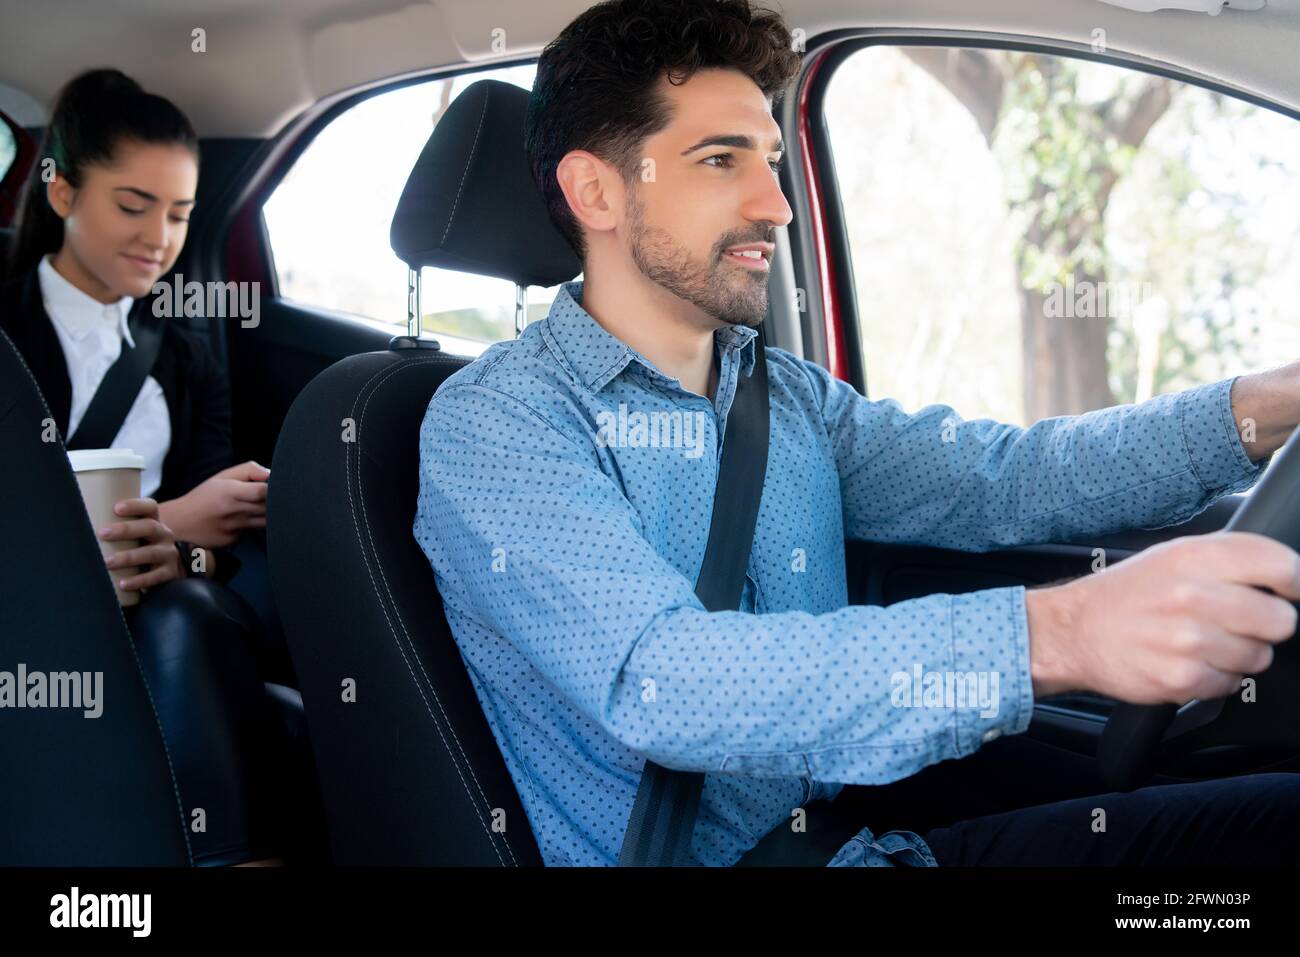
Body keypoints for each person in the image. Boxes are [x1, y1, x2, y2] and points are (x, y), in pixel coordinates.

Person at [412, 0, 1300, 867]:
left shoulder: (786, 398)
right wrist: (1061, 633)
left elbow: (1008, 477)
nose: (777, 205)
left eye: (769, 158)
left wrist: (1264, 406)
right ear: (596, 191)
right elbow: (663, 678)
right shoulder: (499, 423)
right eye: (721, 161)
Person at [0, 68, 288, 865]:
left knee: (191, 610)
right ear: (62, 195)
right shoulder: (6, 328)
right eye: (132, 205)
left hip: (156, 605)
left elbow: (210, 553)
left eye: (180, 214)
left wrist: (179, 547)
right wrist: (165, 518)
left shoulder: (189, 352)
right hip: (22, 612)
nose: (159, 237)